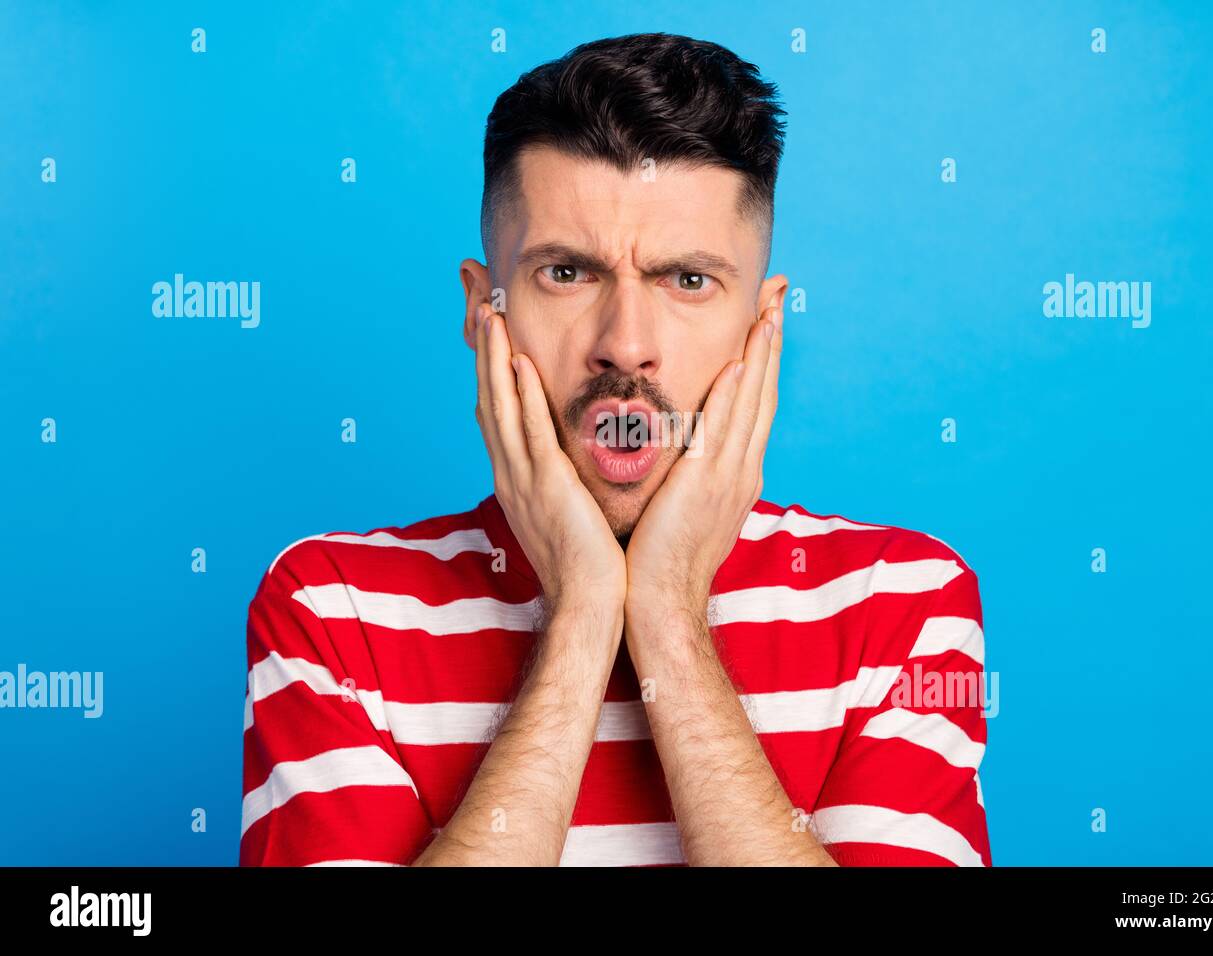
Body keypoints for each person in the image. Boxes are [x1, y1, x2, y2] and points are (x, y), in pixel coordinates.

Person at [240, 32, 991, 867]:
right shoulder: (334, 612)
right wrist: (584, 611)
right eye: (567, 273)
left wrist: (665, 609)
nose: (625, 346)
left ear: (762, 324)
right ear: (481, 310)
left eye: (688, 280)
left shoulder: (903, 605)